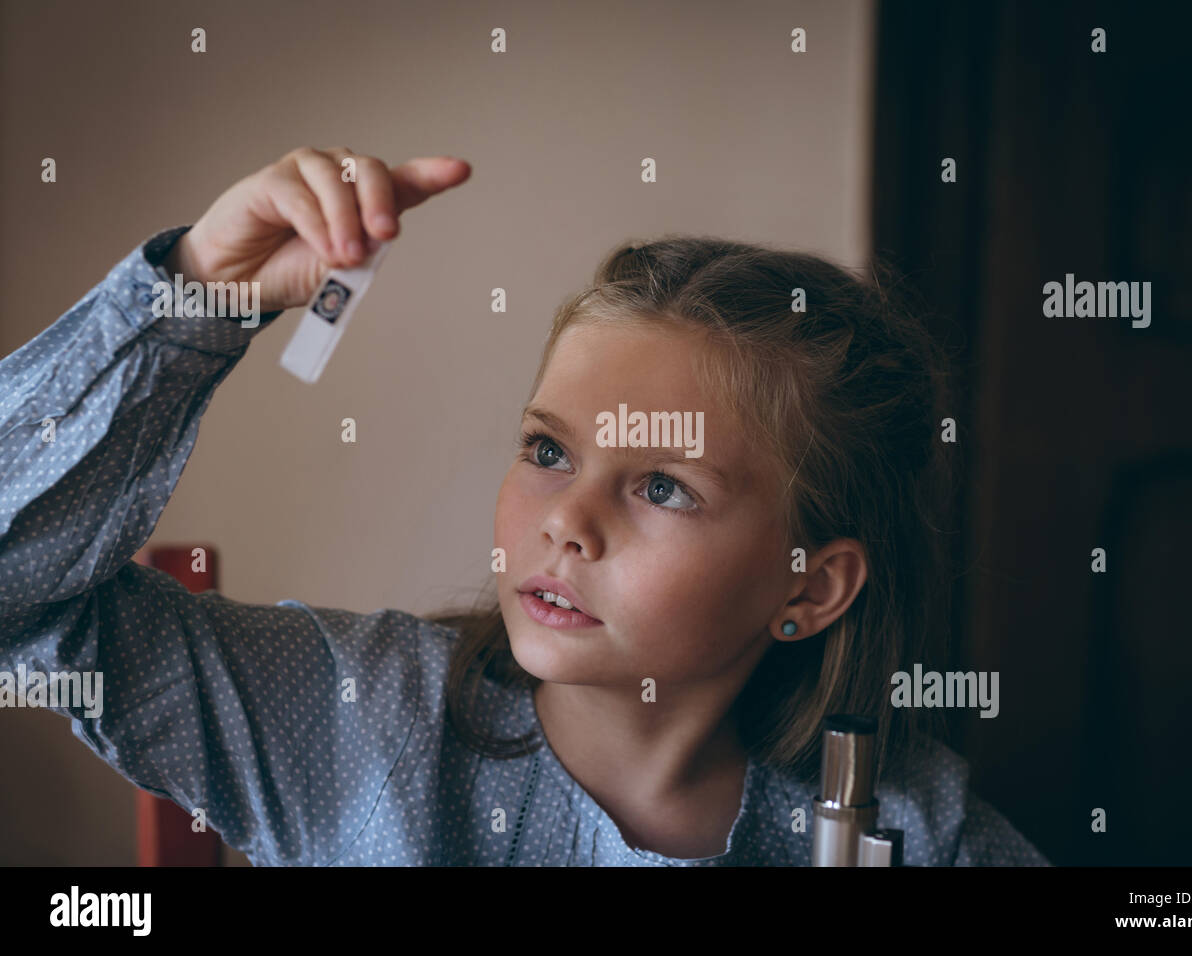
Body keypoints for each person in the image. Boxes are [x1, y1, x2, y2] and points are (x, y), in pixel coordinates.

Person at [0, 146, 1049, 866]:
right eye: (550, 449)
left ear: (809, 585)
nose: (568, 521)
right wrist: (189, 299)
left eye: (661, 486)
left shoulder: (915, 825)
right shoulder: (352, 719)